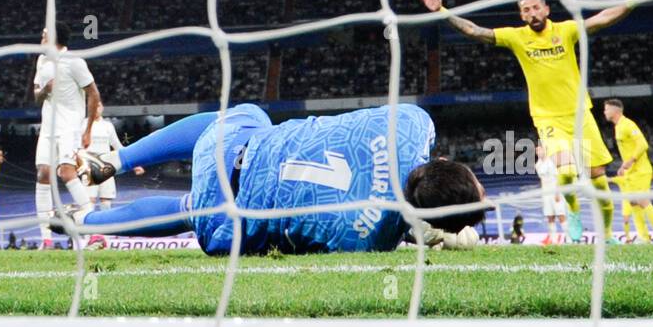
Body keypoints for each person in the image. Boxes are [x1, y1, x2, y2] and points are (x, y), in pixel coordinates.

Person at [417, 0, 653, 242]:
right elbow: (475, 31)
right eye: (526, 10)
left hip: (580, 114)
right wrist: (441, 10)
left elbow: (603, 18)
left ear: (546, 10)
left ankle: (608, 234)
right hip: (547, 117)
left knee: (600, 182)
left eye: (535, 8)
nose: (532, 13)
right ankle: (573, 213)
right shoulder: (517, 37)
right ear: (522, 15)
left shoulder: (566, 30)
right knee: (565, 171)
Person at [72, 103, 486, 255]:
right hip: (223, 220)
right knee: (191, 212)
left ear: (444, 159)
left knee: (250, 115)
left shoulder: (414, 125)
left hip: (231, 148)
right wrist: (415, 231)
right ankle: (82, 222)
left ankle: (118, 159)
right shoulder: (371, 241)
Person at [32, 24, 102, 241]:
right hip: (47, 128)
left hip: (70, 126)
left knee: (66, 172)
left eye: (44, 35)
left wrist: (88, 128)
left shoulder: (74, 62)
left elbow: (94, 93)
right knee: (43, 174)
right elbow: (36, 96)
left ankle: (93, 229)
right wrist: (44, 90)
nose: (41, 39)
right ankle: (46, 238)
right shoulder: (42, 61)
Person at [603, 99, 653, 243]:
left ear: (615, 110)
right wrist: (623, 166)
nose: (604, 112)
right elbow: (628, 149)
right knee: (634, 204)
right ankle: (644, 237)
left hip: (640, 171)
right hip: (631, 172)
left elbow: (642, 144)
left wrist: (631, 160)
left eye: (606, 109)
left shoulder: (627, 124)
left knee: (642, 201)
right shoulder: (618, 126)